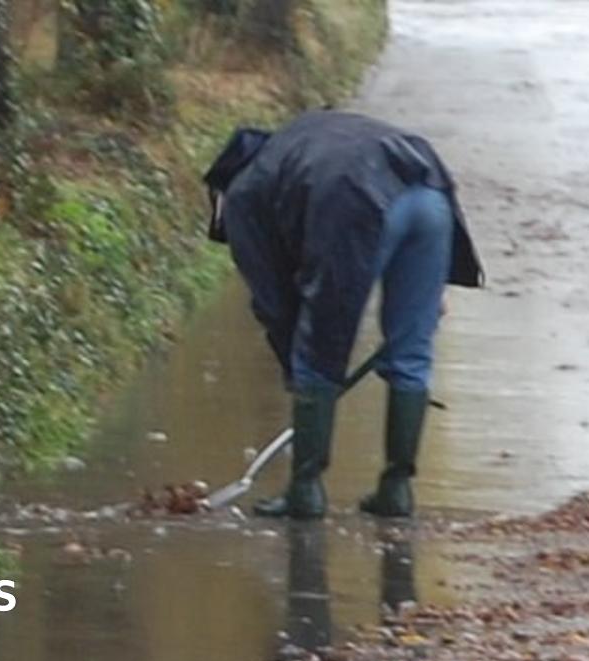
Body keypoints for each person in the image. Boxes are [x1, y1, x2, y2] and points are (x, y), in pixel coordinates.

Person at [203, 110, 483, 519]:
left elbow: (275, 304)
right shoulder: (299, 139)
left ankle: (306, 490)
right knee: (411, 350)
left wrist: (303, 375)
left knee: (319, 342)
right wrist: (430, 289)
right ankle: (397, 489)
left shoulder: (244, 192)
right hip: (428, 189)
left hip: (355, 197)